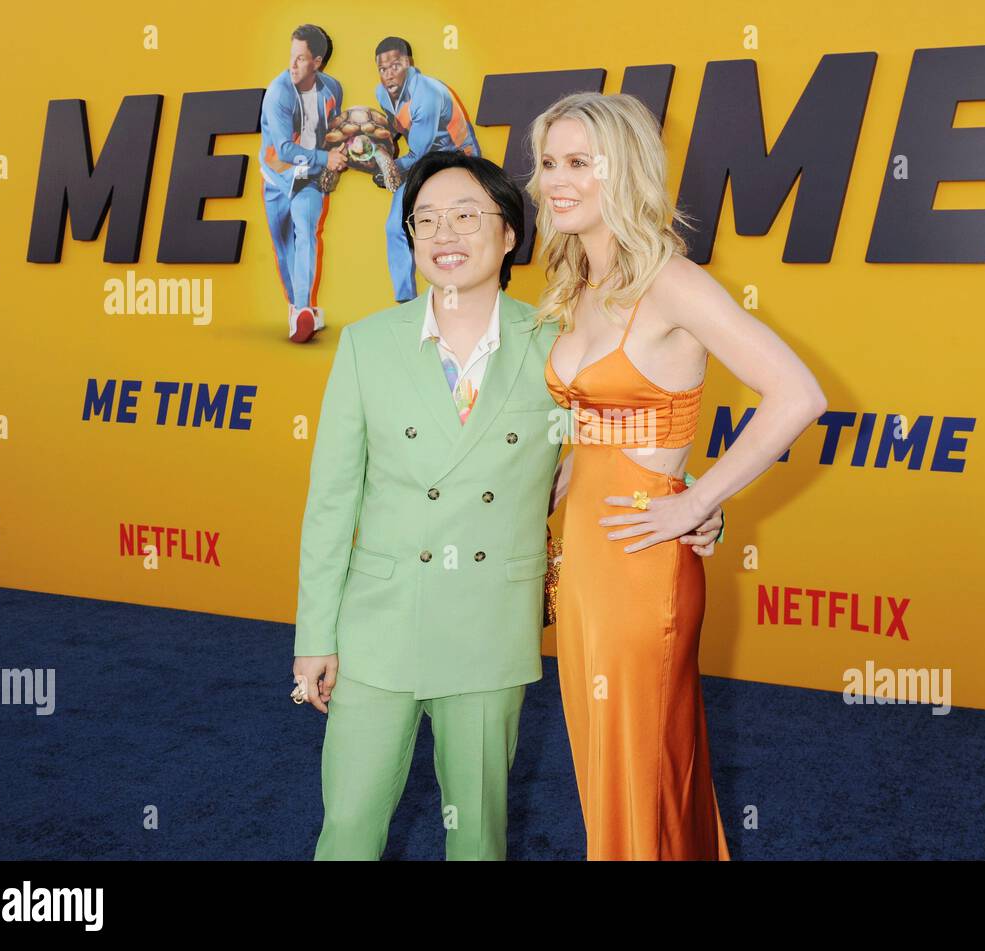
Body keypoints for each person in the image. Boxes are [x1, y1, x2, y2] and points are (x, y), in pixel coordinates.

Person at [291, 149, 723, 860]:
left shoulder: (554, 343)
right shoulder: (368, 345)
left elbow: (620, 446)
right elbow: (331, 504)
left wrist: (691, 502)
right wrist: (316, 636)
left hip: (491, 629)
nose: (444, 234)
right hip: (377, 628)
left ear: (510, 234)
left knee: (478, 837)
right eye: (424, 220)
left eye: (466, 215)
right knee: (347, 829)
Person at [528, 92, 829, 860]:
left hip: (642, 563)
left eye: (577, 163)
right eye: (547, 162)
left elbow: (798, 394)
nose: (554, 180)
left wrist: (696, 498)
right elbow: (602, 425)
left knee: (641, 768)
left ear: (621, 170)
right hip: (587, 560)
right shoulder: (577, 283)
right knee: (611, 768)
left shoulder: (673, 282)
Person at [373, 36, 482, 304]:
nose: (389, 74)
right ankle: (405, 301)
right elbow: (394, 128)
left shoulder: (428, 94)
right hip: (421, 163)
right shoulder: (381, 93)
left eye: (395, 66)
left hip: (457, 161)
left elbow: (417, 155)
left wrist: (389, 167)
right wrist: (377, 147)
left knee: (456, 228)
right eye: (383, 69)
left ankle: (470, 292)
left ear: (409, 63)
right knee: (394, 228)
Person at [259, 24, 346, 343]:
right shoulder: (278, 92)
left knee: (306, 234)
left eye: (300, 59)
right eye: (291, 57)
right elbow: (283, 149)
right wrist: (327, 159)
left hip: (309, 179)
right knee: (284, 247)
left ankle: (303, 311)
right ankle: (298, 306)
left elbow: (333, 128)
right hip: (276, 176)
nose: (292, 65)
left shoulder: (333, 89)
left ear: (318, 62)